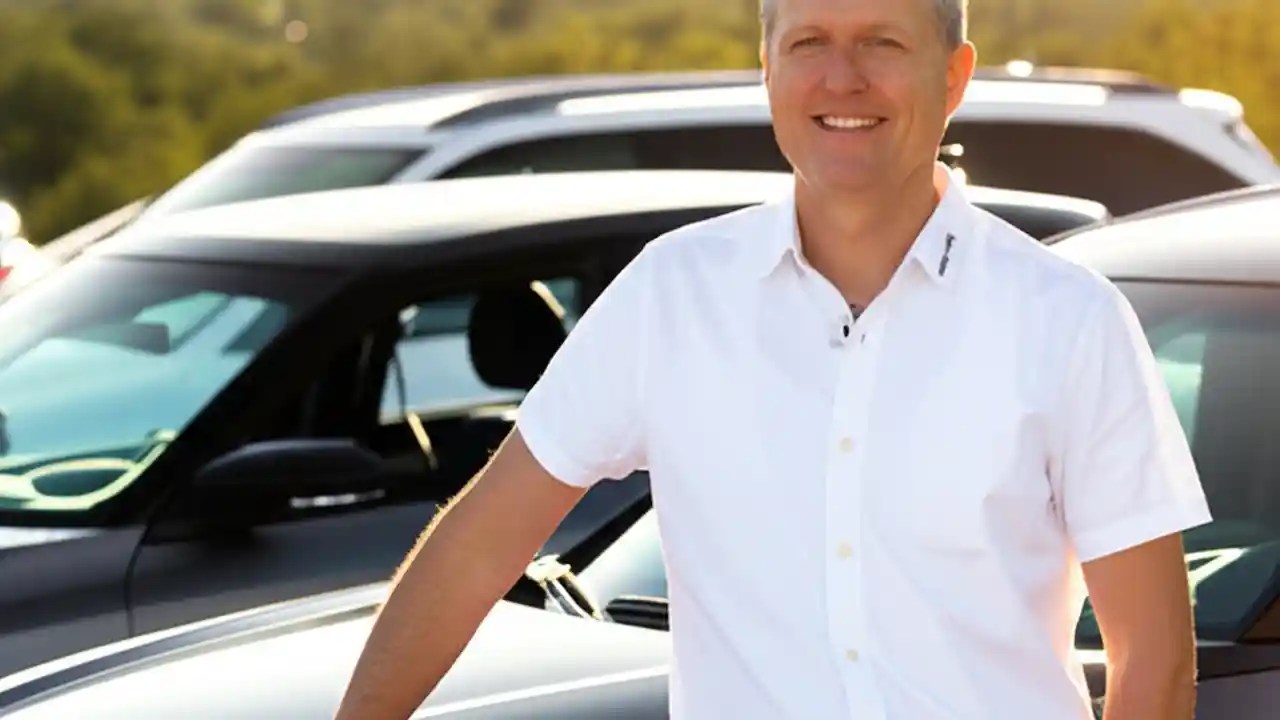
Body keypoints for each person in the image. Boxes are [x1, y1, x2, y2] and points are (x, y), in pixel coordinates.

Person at [335, 0, 1211, 717]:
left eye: (882, 42)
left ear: (954, 76)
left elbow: (1154, 663)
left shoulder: (1068, 321)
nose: (842, 77)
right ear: (767, 69)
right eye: (808, 43)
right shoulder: (671, 296)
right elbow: (477, 547)